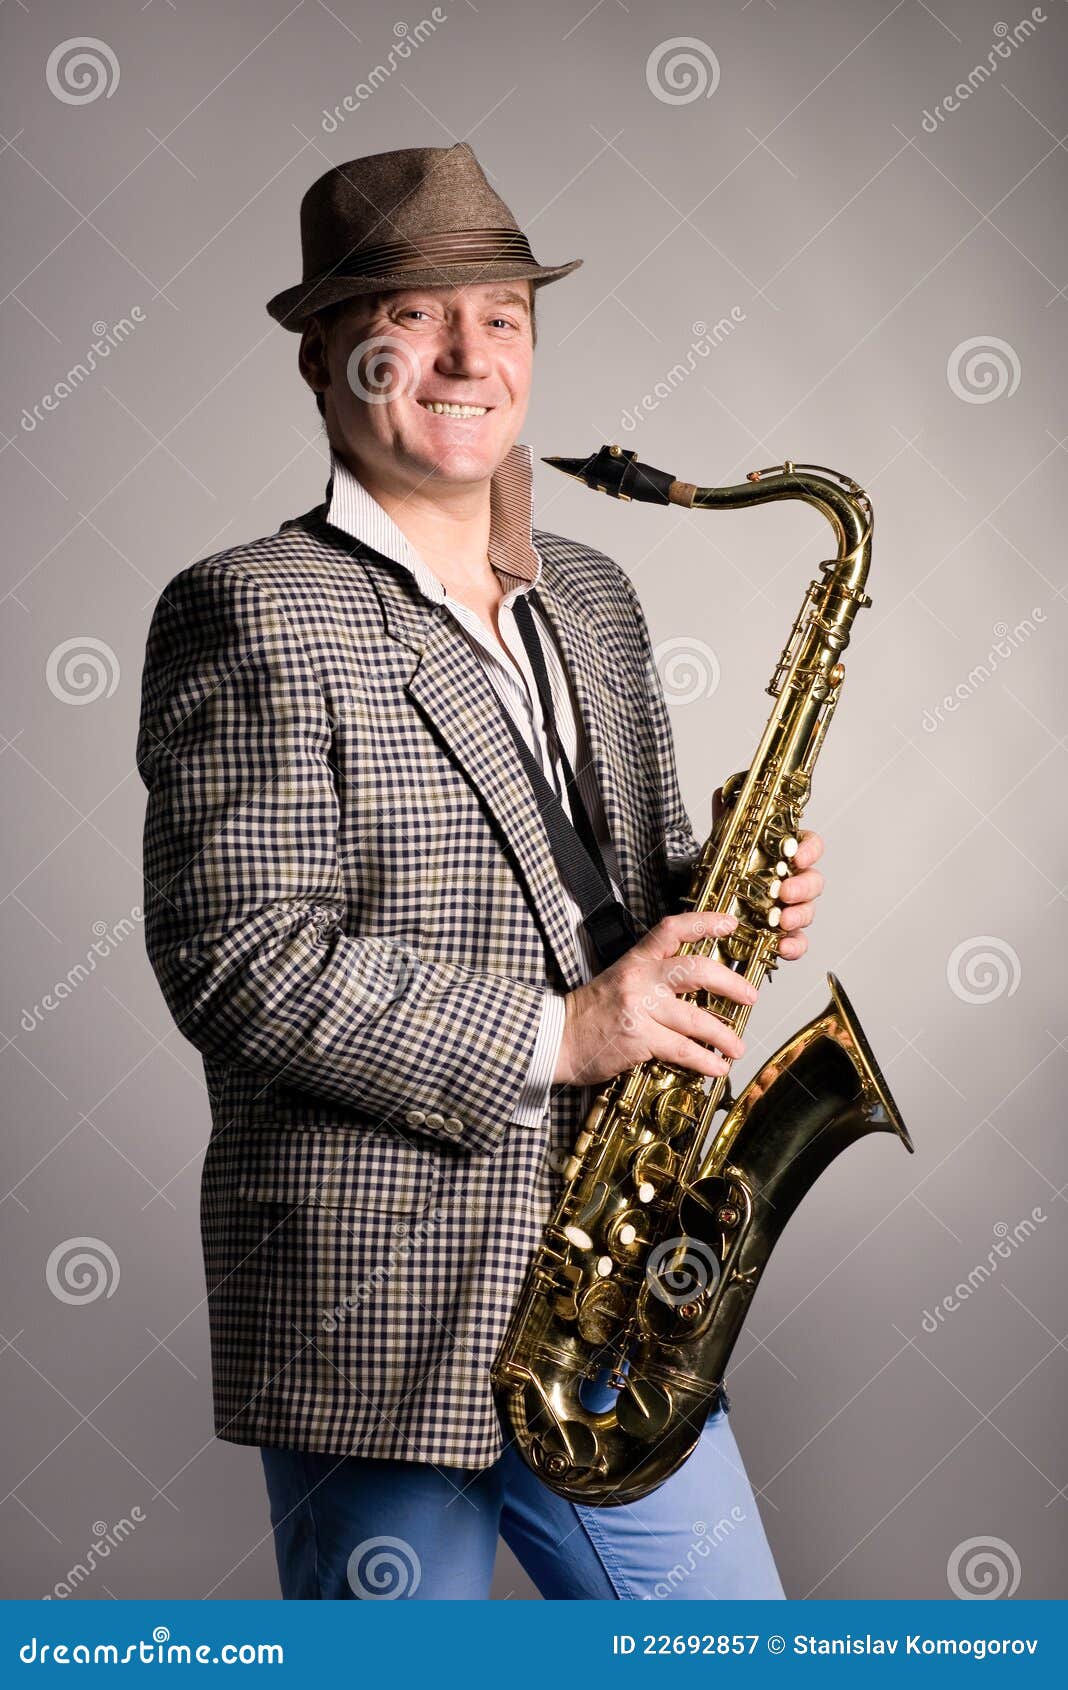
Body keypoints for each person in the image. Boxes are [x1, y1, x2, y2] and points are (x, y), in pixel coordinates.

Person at [136, 143, 824, 1601]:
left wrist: (729, 888)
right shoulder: (249, 607)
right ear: (326, 355)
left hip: (614, 1283)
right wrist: (566, 1033)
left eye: (502, 314)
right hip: (385, 1302)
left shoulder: (590, 588)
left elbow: (606, 895)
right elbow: (238, 956)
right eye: (417, 312)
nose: (468, 354)